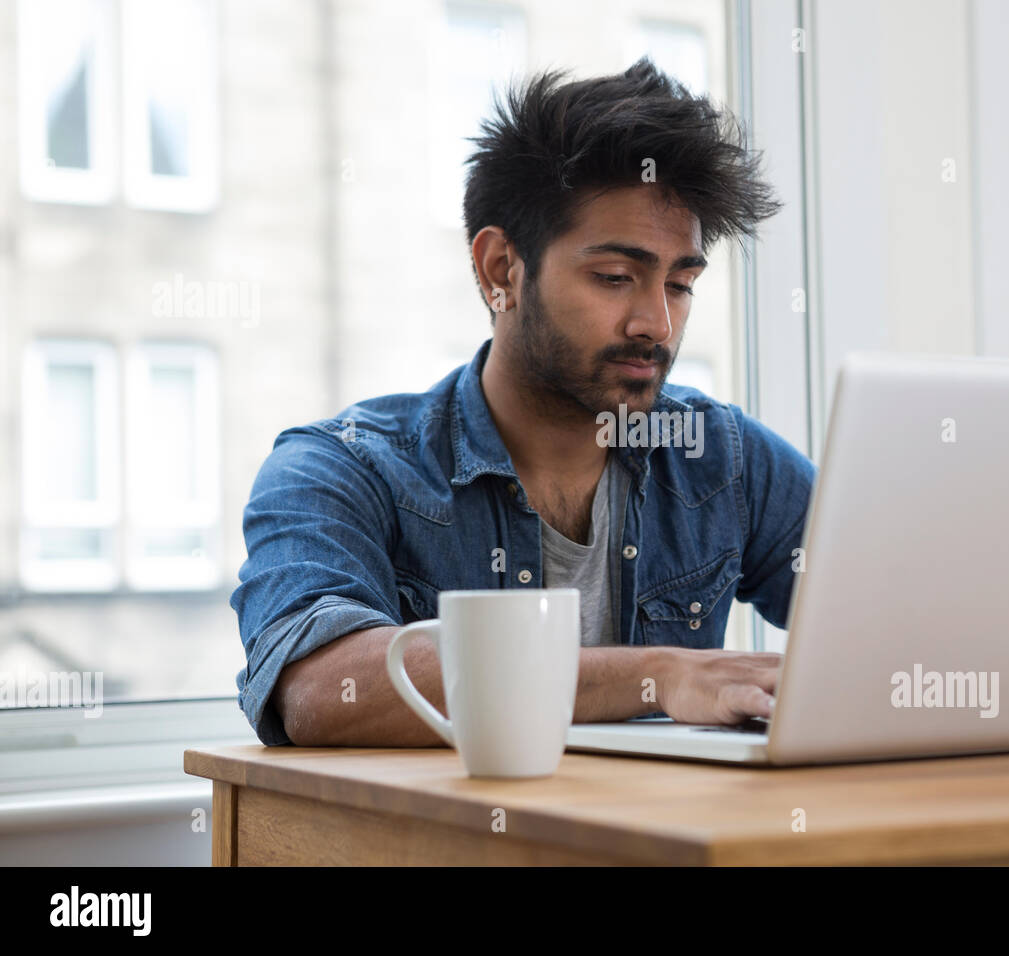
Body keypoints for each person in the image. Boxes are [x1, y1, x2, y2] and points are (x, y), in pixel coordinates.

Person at [231, 57, 816, 746]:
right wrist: (660, 675)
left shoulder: (727, 460)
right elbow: (323, 690)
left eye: (680, 284)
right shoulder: (342, 468)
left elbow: (904, 631)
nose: (655, 323)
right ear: (500, 269)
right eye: (614, 276)